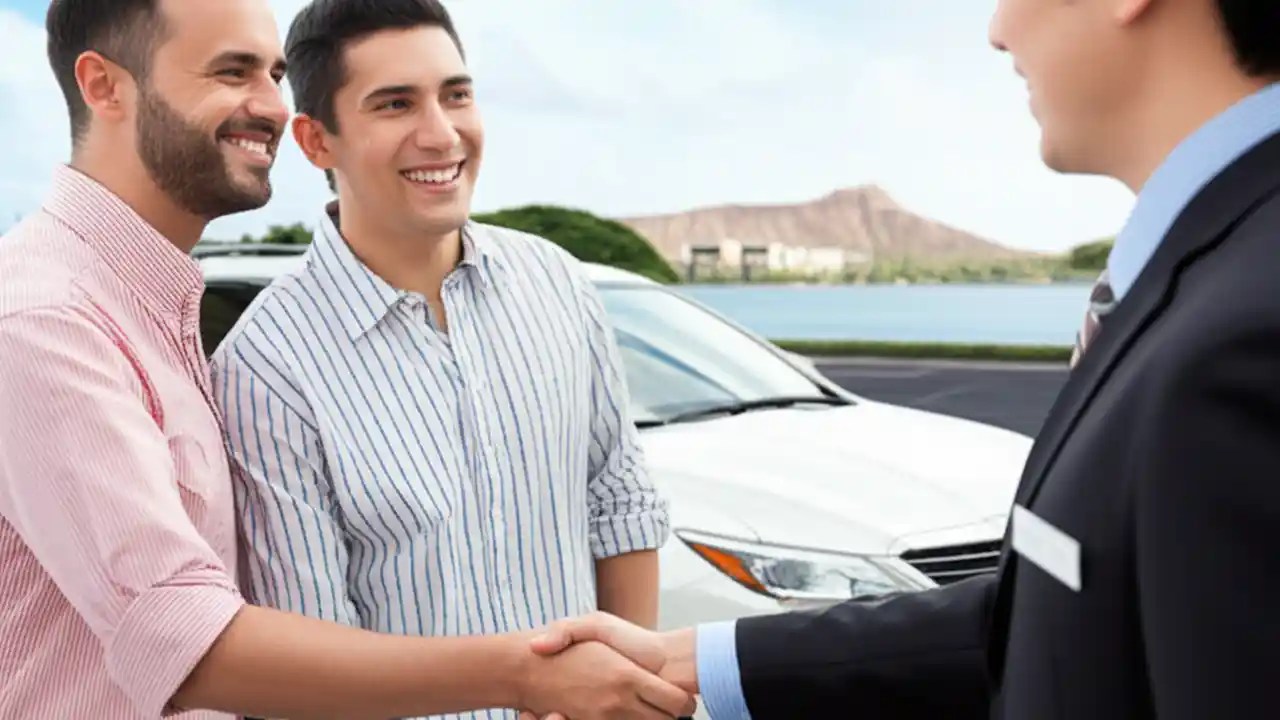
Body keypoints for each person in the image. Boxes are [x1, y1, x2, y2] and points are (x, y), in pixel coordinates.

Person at [522, 0, 1280, 718]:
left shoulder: (1244, 336)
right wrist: (685, 662)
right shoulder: (1215, 276)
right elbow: (1057, 607)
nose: (997, 29)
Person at [0, 1, 692, 719]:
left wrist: (614, 691)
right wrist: (529, 677)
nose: (270, 104)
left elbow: (619, 507)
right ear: (105, 86)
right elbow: (184, 635)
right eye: (232, 72)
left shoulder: (146, 300)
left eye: (273, 74)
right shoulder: (45, 319)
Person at [206, 0, 673, 718]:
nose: (441, 133)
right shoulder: (267, 367)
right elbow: (315, 646)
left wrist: (629, 694)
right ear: (316, 141)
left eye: (456, 95)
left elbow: (619, 505)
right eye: (395, 105)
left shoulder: (556, 281)